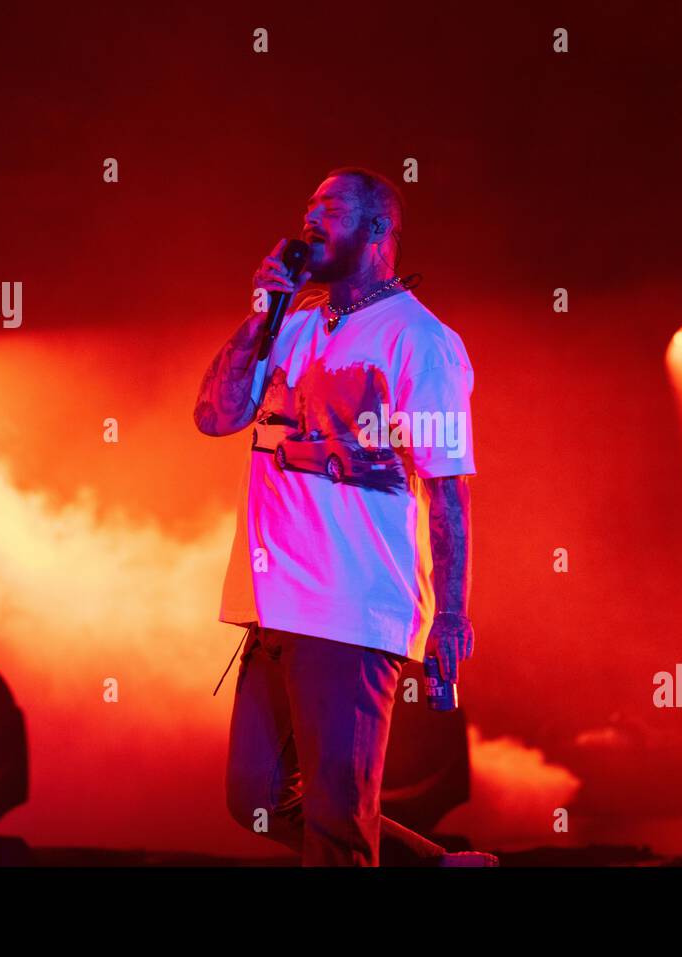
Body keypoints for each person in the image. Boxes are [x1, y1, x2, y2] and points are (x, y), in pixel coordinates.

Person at [194, 167, 495, 866]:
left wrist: (450, 614)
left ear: (378, 229)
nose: (311, 221)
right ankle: (435, 865)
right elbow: (215, 416)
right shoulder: (291, 326)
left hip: (349, 609)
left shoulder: (422, 341)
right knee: (258, 798)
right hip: (270, 606)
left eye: (330, 209)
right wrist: (261, 313)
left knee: (335, 825)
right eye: (308, 208)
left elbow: (448, 487)